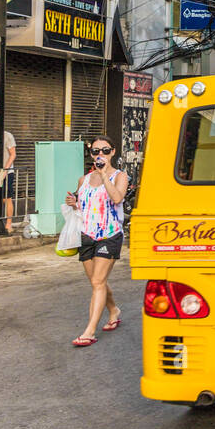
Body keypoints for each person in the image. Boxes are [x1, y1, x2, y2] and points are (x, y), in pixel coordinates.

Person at [66, 136, 128, 348]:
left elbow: (117, 198)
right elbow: (85, 208)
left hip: (110, 235)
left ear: (112, 152)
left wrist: (103, 176)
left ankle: (89, 331)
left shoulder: (120, 176)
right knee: (97, 281)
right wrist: (74, 203)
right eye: (95, 151)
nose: (99, 154)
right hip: (87, 235)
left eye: (104, 150)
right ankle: (113, 310)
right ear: (91, 154)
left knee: (97, 282)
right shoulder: (83, 180)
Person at [4, 128, 17, 234]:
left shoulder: (7, 136)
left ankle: (9, 223)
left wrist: (6, 169)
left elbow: (13, 154)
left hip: (6, 172)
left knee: (7, 198)